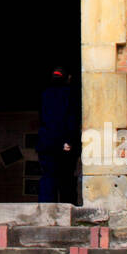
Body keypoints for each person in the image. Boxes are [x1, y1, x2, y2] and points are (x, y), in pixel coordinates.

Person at [37, 67, 80, 204]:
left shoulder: (45, 94)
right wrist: (69, 140)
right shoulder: (70, 94)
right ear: (68, 78)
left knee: (48, 177)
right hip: (63, 142)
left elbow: (43, 119)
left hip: (46, 142)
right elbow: (71, 119)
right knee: (66, 178)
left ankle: (46, 210)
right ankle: (66, 208)